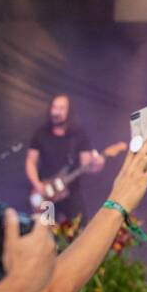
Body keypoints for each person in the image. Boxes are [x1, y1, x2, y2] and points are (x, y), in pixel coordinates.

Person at [25, 94, 103, 224]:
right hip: (46, 191)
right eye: (54, 107)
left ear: (69, 112)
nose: (56, 112)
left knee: (79, 229)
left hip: (71, 191)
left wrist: (98, 164)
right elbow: (30, 161)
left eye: (61, 108)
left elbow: (87, 165)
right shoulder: (41, 133)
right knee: (45, 229)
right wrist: (37, 185)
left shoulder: (78, 134)